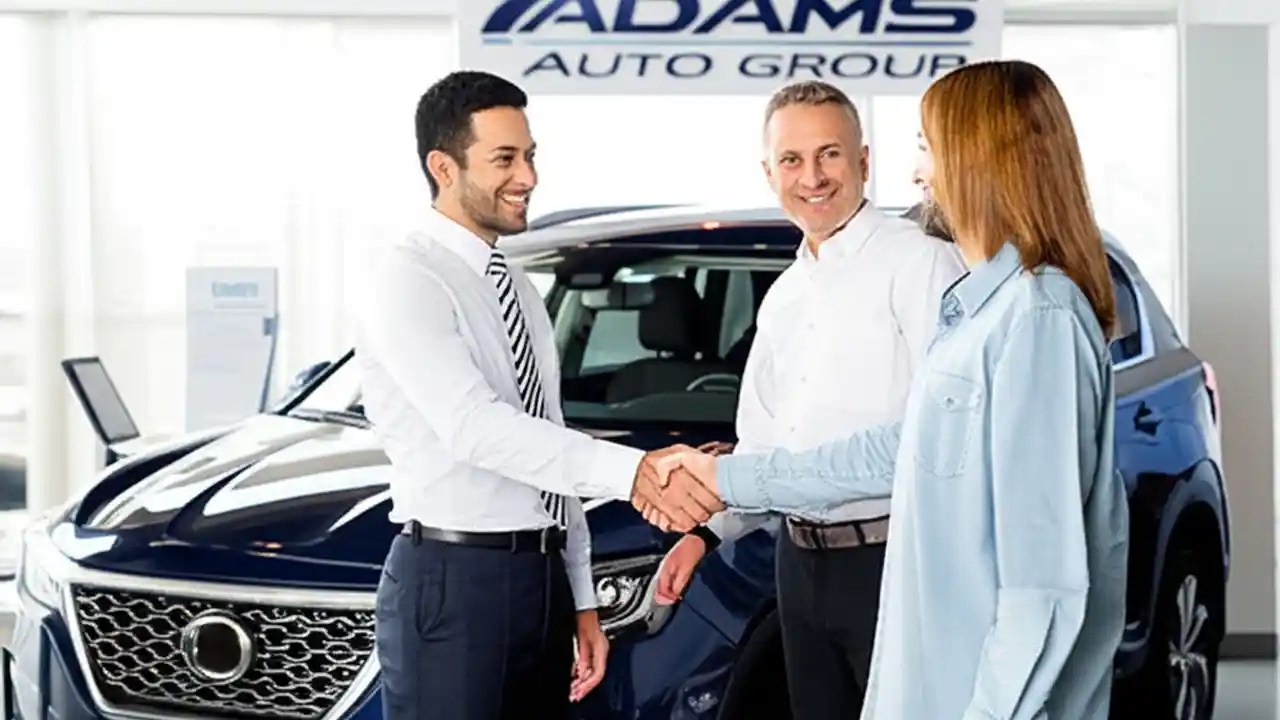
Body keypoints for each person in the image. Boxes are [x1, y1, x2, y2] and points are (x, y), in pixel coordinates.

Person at [660, 60, 1130, 720]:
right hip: (811, 563)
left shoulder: (1028, 312)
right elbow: (906, 447)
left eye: (926, 148)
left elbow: (1040, 584)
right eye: (791, 158)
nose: (918, 172)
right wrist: (721, 495)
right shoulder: (980, 308)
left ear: (975, 160)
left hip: (894, 560)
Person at [357, 70, 716, 720]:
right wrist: (634, 470)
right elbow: (475, 428)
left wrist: (579, 597)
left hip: (539, 580)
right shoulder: (408, 278)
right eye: (505, 159)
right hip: (455, 582)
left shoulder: (518, 288)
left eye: (530, 156)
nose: (528, 176)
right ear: (443, 167)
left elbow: (543, 442)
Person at [647, 81, 966, 720]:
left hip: (897, 564)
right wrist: (705, 536)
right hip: (797, 568)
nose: (812, 177)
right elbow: (765, 450)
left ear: (865, 162)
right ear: (769, 173)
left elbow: (940, 441)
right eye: (792, 161)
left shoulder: (924, 265)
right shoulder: (785, 297)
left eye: (830, 155)